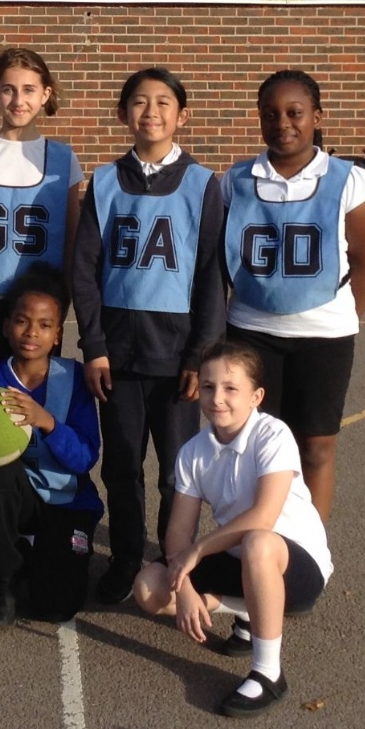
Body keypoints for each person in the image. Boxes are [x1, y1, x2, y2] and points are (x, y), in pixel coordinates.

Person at [72, 67, 226, 605]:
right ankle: (126, 558)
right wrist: (93, 346)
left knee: (176, 473)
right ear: (123, 114)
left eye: (163, 102)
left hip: (177, 358)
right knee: (120, 465)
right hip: (118, 355)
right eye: (139, 102)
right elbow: (86, 270)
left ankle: (172, 557)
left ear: (182, 116)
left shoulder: (205, 184)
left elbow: (211, 273)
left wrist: (201, 355)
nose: (151, 112)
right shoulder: (107, 181)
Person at [132, 340, 332, 718]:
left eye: (230, 388)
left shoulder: (273, 436)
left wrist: (198, 550)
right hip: (243, 560)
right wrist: (187, 589)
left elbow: (263, 517)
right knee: (148, 588)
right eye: (208, 387)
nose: (216, 399)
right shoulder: (193, 450)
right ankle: (247, 611)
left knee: (258, 542)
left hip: (295, 566)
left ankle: (268, 673)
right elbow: (177, 534)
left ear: (256, 396)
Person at [221, 69, 365, 522]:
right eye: (270, 114)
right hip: (251, 330)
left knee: (315, 446)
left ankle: (308, 547)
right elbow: (218, 260)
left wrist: (346, 317)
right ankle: (253, 540)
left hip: (324, 334)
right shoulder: (233, 182)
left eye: (295, 112)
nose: (282, 123)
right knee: (252, 444)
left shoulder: (350, 180)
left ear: (317, 116)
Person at [0, 265, 102, 627]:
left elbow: (84, 457)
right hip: (14, 500)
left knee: (53, 607)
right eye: (22, 321)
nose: (32, 333)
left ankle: (37, 550)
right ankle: (3, 579)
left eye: (44, 325)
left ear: (58, 333)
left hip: (66, 503)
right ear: (6, 325)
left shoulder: (72, 378)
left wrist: (47, 422)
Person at [0, 48, 83, 372]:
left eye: (28, 90)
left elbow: (71, 243)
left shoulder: (64, 159)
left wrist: (61, 309)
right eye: (8, 89)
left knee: (32, 410)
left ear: (45, 94)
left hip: (40, 309)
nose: (18, 100)